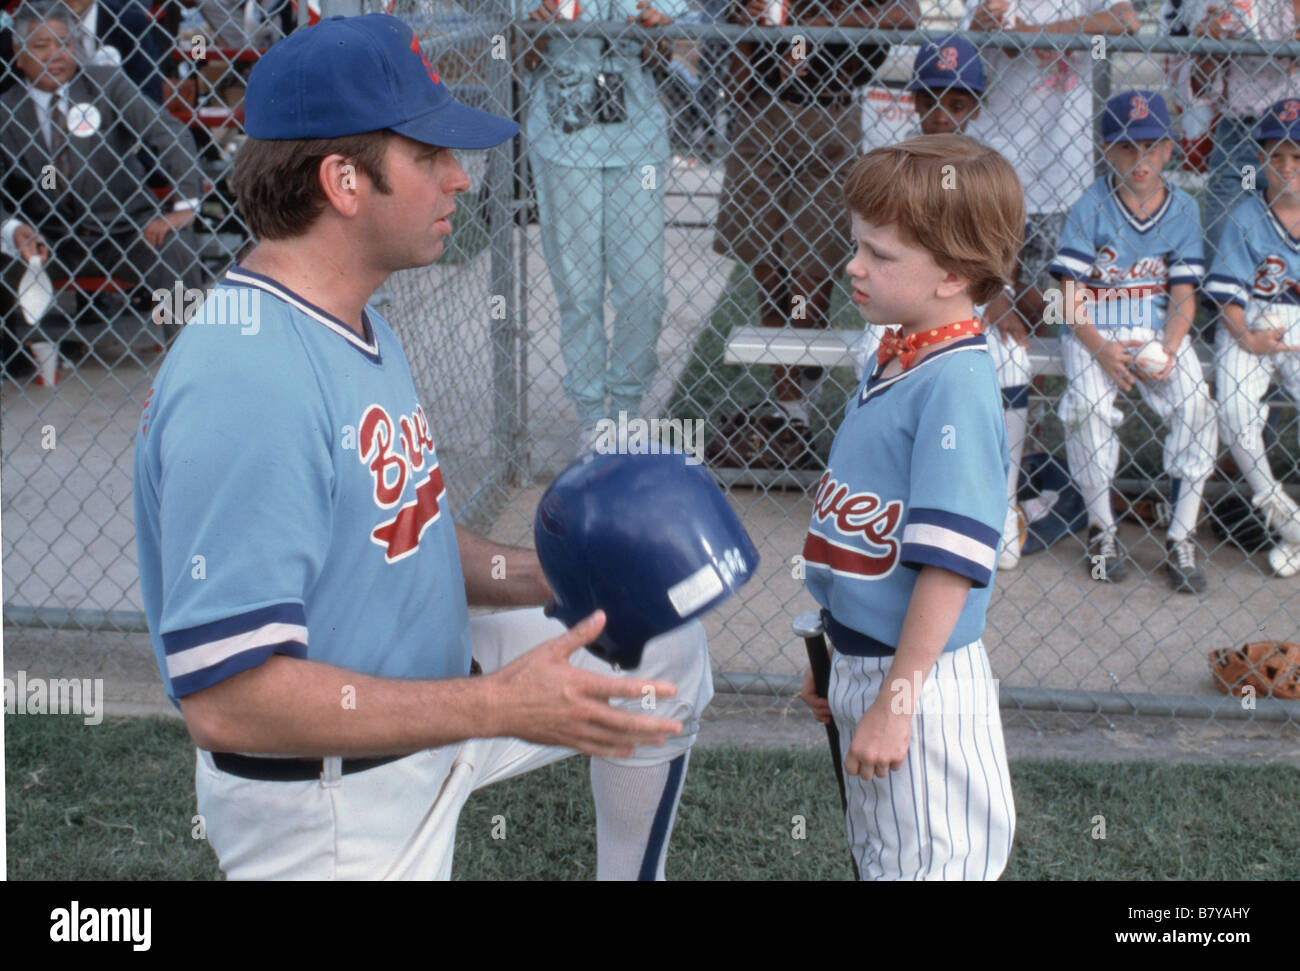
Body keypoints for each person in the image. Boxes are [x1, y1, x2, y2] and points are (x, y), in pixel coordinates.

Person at [132, 13, 712, 881]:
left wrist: (561, 578)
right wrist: (494, 705)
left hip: (431, 704)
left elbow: (403, 530)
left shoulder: (352, 316)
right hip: (328, 807)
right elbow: (230, 700)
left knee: (656, 640)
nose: (460, 179)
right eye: (430, 155)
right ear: (343, 181)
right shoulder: (248, 378)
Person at [800, 134, 1019, 880]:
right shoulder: (898, 349)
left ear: (954, 274)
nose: (856, 265)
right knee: (884, 857)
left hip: (922, 683)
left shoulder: (954, 382)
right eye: (856, 245)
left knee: (928, 865)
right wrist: (836, 657)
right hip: (875, 662)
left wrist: (895, 699)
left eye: (882, 255)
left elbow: (950, 567)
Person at [851, 35, 1033, 570]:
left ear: (974, 105)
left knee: (1015, 359)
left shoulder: (988, 164)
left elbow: (998, 249)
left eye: (955, 102)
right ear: (913, 101)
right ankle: (886, 494)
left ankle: (1002, 504)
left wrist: (996, 300)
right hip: (903, 306)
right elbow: (884, 260)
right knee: (873, 352)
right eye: (929, 99)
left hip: (971, 300)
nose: (940, 113)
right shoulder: (897, 163)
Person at [712, 0, 918, 460]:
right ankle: (790, 408)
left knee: (810, 270)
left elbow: (907, 13)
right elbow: (735, 21)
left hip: (830, 115)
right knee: (768, 270)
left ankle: (797, 405)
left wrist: (820, 24)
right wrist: (748, 26)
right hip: (763, 110)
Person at [1049, 90, 1215, 593]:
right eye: (1126, 147)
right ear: (1107, 149)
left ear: (1169, 149)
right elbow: (1067, 293)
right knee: (1087, 410)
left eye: (1150, 146)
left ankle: (1181, 535)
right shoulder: (1090, 204)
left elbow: (1184, 294)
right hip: (1091, 327)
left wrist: (1168, 346)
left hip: (1155, 327)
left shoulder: (1183, 207)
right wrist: (1100, 348)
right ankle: (1102, 528)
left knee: (1197, 407)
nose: (1139, 159)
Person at [521, 0, 684, 454]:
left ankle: (626, 410)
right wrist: (542, 27)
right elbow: (520, 59)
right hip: (563, 143)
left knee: (644, 288)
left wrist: (653, 30)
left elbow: (660, 59)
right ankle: (593, 418)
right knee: (578, 290)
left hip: (638, 145)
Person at [0, 1, 200, 368]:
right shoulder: (6, 111)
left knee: (176, 249)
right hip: (50, 239)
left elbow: (169, 134)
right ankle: (18, 357)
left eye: (64, 44)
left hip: (128, 231)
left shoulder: (107, 85)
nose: (55, 55)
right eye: (41, 46)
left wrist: (185, 206)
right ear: (18, 54)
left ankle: (187, 362)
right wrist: (13, 229)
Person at [964, 0, 1140, 341]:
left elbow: (1126, 19)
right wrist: (984, 27)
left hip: (1061, 170)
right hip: (997, 167)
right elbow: (985, 46)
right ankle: (990, 386)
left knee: (1038, 303)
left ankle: (1028, 393)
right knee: (985, 296)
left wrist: (1036, 35)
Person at [1204, 97, 1300, 578]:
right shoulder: (1246, 212)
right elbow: (1228, 296)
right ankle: (1287, 520)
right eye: (1275, 155)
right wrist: (1246, 337)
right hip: (1251, 320)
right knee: (1236, 407)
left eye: (1297, 157)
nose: (1285, 167)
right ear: (1261, 159)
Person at [1192, 0, 1300, 255]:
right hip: (1244, 136)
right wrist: (1208, 50)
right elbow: (1202, 87)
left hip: (1296, 140)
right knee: (1225, 254)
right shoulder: (1236, 5)